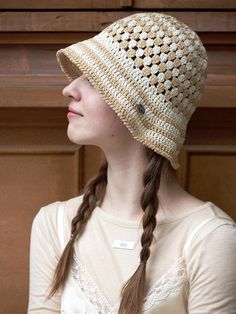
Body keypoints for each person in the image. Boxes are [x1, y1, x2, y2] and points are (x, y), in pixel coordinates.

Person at [27, 12, 236, 314]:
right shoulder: (55, 225)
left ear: (141, 109)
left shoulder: (211, 239)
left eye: (96, 79)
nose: (70, 89)